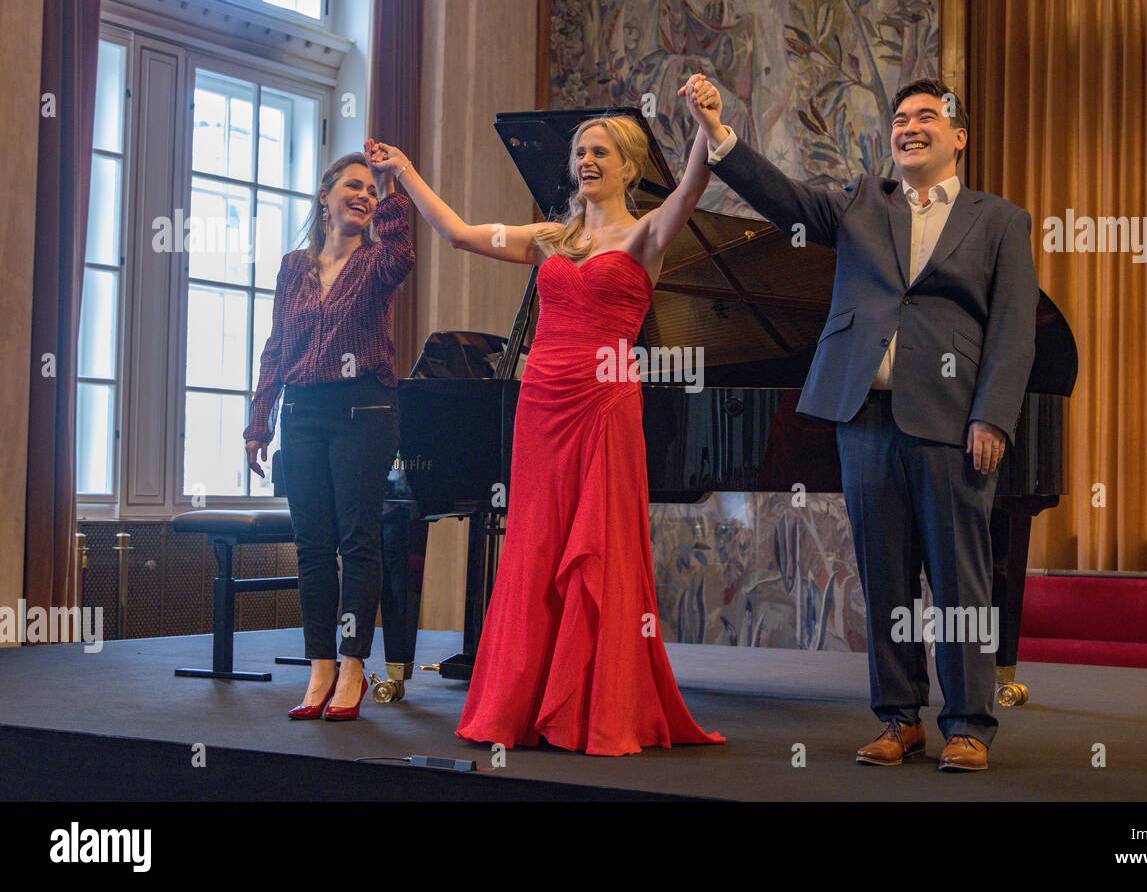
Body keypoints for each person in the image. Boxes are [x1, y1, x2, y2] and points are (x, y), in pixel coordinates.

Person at [680, 74, 1037, 771]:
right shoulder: (861, 205)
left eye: (926, 117)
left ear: (957, 137)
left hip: (952, 421)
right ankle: (898, 718)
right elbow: (784, 199)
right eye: (901, 117)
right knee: (884, 574)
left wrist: (993, 415)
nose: (909, 127)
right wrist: (719, 134)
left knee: (960, 580)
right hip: (864, 418)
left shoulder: (999, 220)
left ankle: (967, 724)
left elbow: (1014, 333)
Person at [366, 112, 726, 755]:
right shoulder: (546, 238)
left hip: (605, 402)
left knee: (599, 547)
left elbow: (692, 189)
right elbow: (456, 235)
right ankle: (526, 703)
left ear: (628, 167)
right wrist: (407, 173)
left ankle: (596, 707)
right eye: (581, 152)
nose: (586, 161)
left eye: (601, 152)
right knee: (535, 545)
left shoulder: (646, 234)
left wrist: (706, 127)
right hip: (541, 404)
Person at [244, 147, 414, 721]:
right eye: (355, 186)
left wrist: (393, 185)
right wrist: (258, 418)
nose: (364, 195)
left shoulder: (376, 263)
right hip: (303, 411)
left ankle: (352, 665)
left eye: (372, 189)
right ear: (324, 196)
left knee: (356, 542)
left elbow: (403, 257)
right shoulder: (294, 268)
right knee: (311, 545)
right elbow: (276, 346)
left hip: (364, 408)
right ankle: (319, 664)